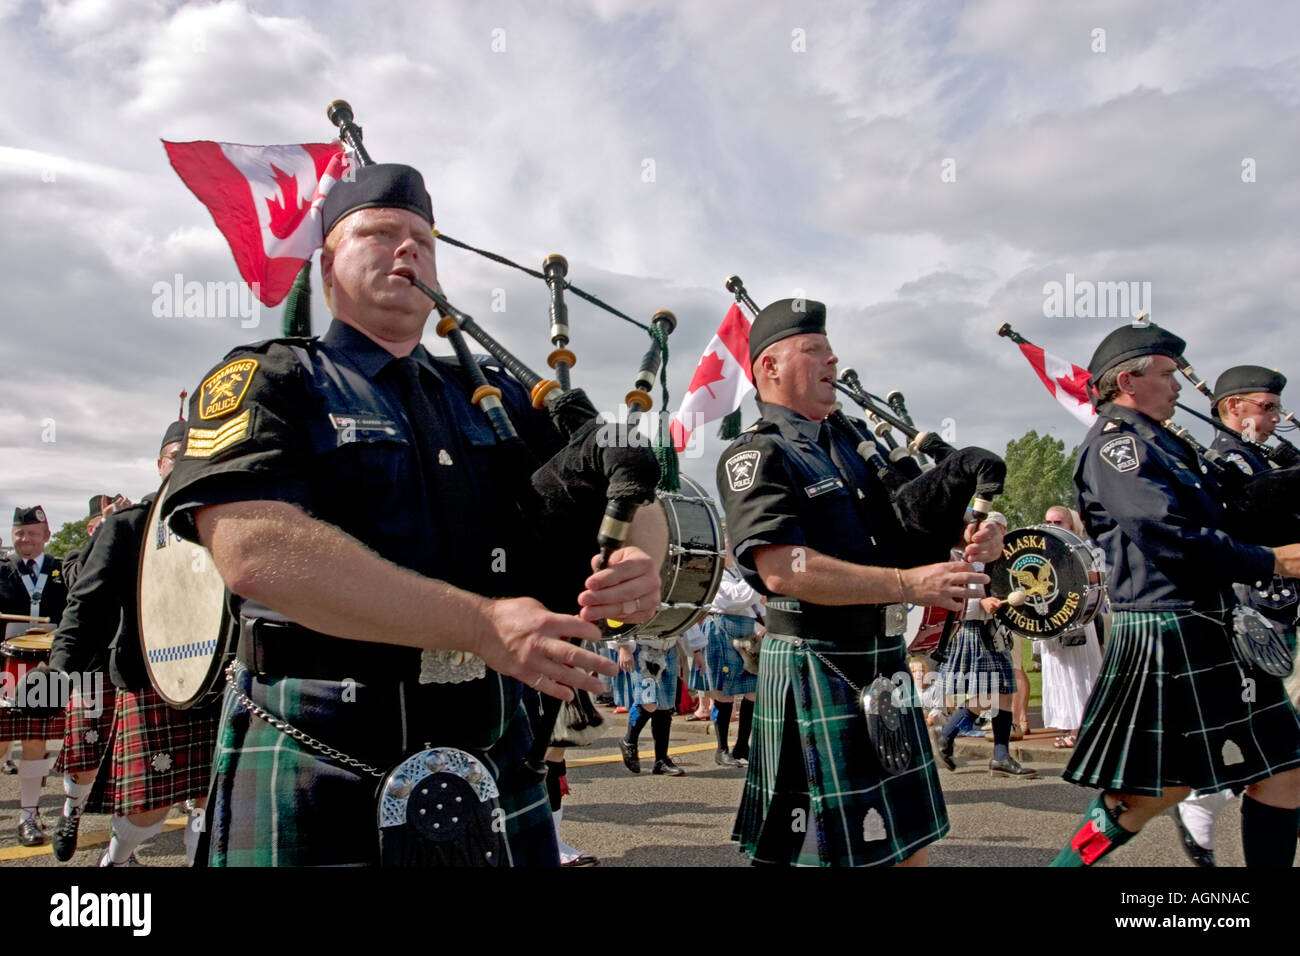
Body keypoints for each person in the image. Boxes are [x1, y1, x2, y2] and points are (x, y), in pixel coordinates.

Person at [159, 162, 664, 866]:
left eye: (423, 240)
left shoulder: (496, 397)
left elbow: (622, 472)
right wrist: (481, 625)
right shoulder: (272, 378)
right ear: (327, 266)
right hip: (317, 729)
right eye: (379, 233)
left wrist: (641, 556)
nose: (408, 251)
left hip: (487, 731)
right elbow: (255, 550)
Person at [716, 297, 1004, 867]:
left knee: (906, 846)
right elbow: (780, 568)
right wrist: (905, 584)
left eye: (831, 348)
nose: (832, 359)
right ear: (770, 367)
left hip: (881, 656)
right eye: (815, 349)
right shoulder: (756, 454)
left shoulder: (850, 445)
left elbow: (905, 528)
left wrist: (973, 529)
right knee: (818, 854)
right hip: (815, 660)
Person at [1052, 323, 1300, 868]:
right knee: (1144, 797)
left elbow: (1234, 509)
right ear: (1128, 381)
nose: (1179, 386)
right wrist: (1273, 560)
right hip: (1168, 629)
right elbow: (1165, 533)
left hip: (1213, 624)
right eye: (1167, 374)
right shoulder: (1117, 447)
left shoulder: (1169, 444)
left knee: (1285, 770)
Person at [48, 422, 219, 866]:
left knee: (210, 798)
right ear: (159, 464)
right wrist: (58, 671)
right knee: (150, 808)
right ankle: (116, 860)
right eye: (174, 454)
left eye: (194, 452)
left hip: (217, 682)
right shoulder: (129, 526)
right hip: (150, 676)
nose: (183, 462)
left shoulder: (225, 522)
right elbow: (87, 605)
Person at [1172, 365, 1297, 867]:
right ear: (1233, 409)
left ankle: (1207, 797)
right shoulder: (1228, 460)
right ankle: (1204, 797)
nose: (1274, 417)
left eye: (1275, 408)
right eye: (1265, 406)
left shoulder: (1266, 457)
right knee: (1280, 741)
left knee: (1282, 747)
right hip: (1262, 611)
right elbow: (1255, 510)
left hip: (1287, 605)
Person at [47, 493, 125, 860]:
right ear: (91, 527)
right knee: (86, 760)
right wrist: (104, 533)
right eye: (100, 524)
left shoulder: (131, 543)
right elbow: (81, 585)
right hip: (92, 670)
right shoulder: (73, 558)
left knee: (128, 766)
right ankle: (71, 812)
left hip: (132, 668)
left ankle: (120, 844)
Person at [931, 510, 1036, 777]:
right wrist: (981, 602)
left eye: (1000, 530)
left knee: (1003, 690)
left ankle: (1000, 756)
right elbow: (951, 590)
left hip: (992, 628)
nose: (997, 535)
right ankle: (947, 732)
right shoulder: (958, 553)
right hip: (971, 627)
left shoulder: (1001, 558)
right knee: (987, 693)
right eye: (993, 528)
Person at [0, 505, 69, 845]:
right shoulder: (0, 569)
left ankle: (29, 816)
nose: (24, 539)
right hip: (3, 665)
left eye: (30, 533)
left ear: (46, 536)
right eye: (19, 534)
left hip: (44, 669)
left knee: (34, 739)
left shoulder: (62, 571)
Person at [687, 542, 762, 767]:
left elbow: (755, 605)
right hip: (721, 627)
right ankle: (722, 750)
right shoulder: (716, 573)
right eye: (732, 549)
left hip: (746, 631)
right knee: (723, 692)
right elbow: (736, 597)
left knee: (753, 691)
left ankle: (742, 746)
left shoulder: (740, 572)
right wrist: (760, 578)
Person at [1037, 506, 1103, 750]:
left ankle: (1081, 728)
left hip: (1078, 619)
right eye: (1048, 520)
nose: (1052, 523)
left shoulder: (1086, 546)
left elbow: (1099, 577)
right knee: (1058, 672)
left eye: (1058, 521)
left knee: (1081, 673)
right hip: (1051, 621)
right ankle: (1069, 725)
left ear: (1071, 524)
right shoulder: (1041, 549)